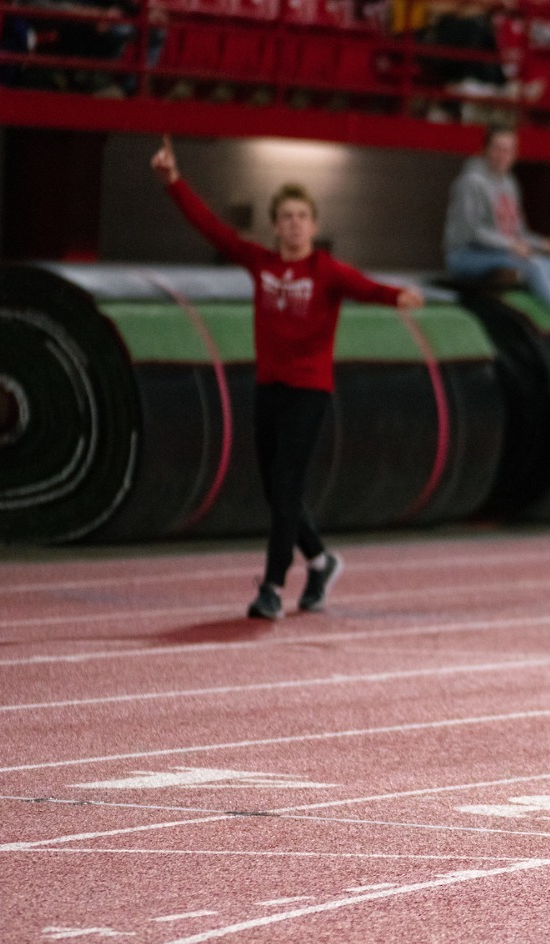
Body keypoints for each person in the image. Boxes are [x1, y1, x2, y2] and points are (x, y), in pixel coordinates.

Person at [150, 136, 423, 620]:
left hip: (308, 391)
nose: (294, 224)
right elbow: (213, 230)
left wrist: (397, 296)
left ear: (314, 225)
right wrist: (174, 181)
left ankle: (272, 587)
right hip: (269, 388)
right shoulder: (263, 263)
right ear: (275, 225)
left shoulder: (326, 271)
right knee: (276, 492)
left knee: (287, 486)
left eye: (302, 216)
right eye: (286, 217)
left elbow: (366, 287)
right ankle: (320, 561)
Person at [442, 121, 550, 319]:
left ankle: (516, 275)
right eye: (497, 149)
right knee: (534, 266)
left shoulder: (510, 183)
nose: (502, 155)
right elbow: (472, 232)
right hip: (467, 255)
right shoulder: (471, 182)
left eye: (508, 150)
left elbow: (517, 232)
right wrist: (511, 245)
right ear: (485, 149)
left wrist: (539, 244)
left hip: (503, 252)